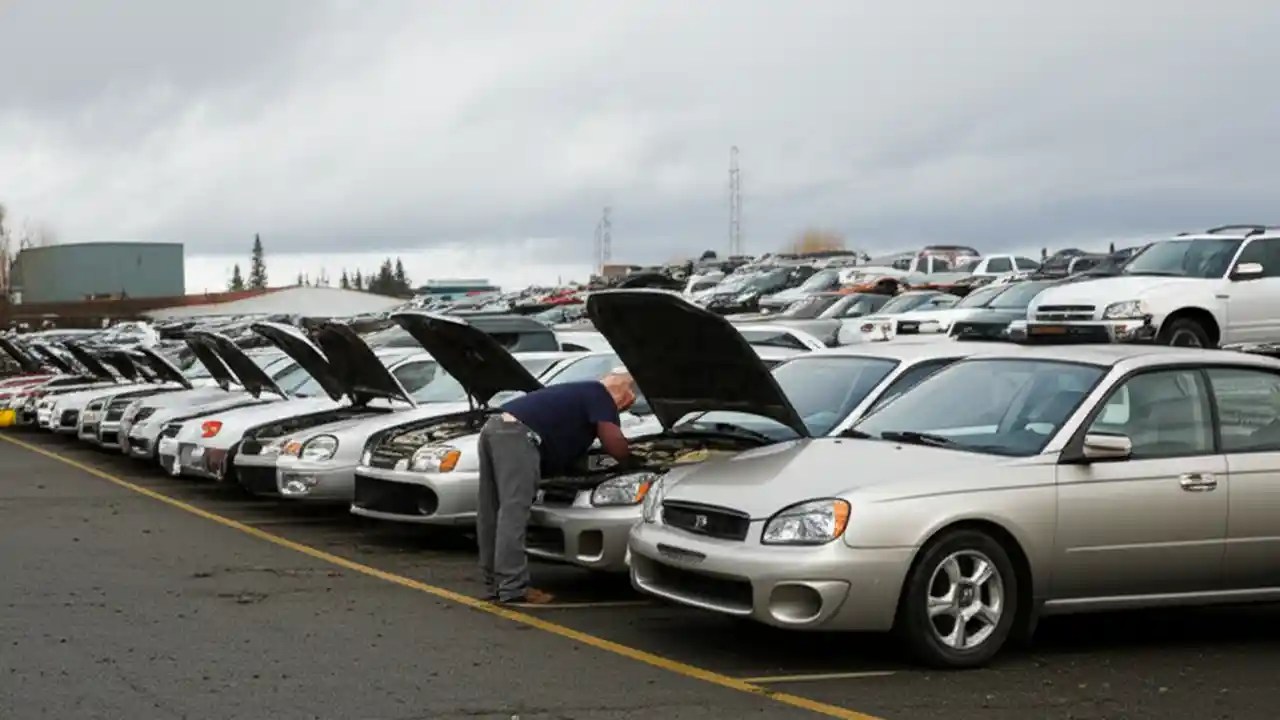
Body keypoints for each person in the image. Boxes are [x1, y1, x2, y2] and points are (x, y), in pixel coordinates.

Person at [476, 371, 637, 604]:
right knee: (514, 512)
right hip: (519, 435)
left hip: (495, 426)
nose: (621, 410)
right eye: (623, 405)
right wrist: (631, 461)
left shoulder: (580, 393)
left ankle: (494, 585)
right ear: (621, 394)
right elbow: (613, 442)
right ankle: (513, 588)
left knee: (491, 509)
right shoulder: (599, 394)